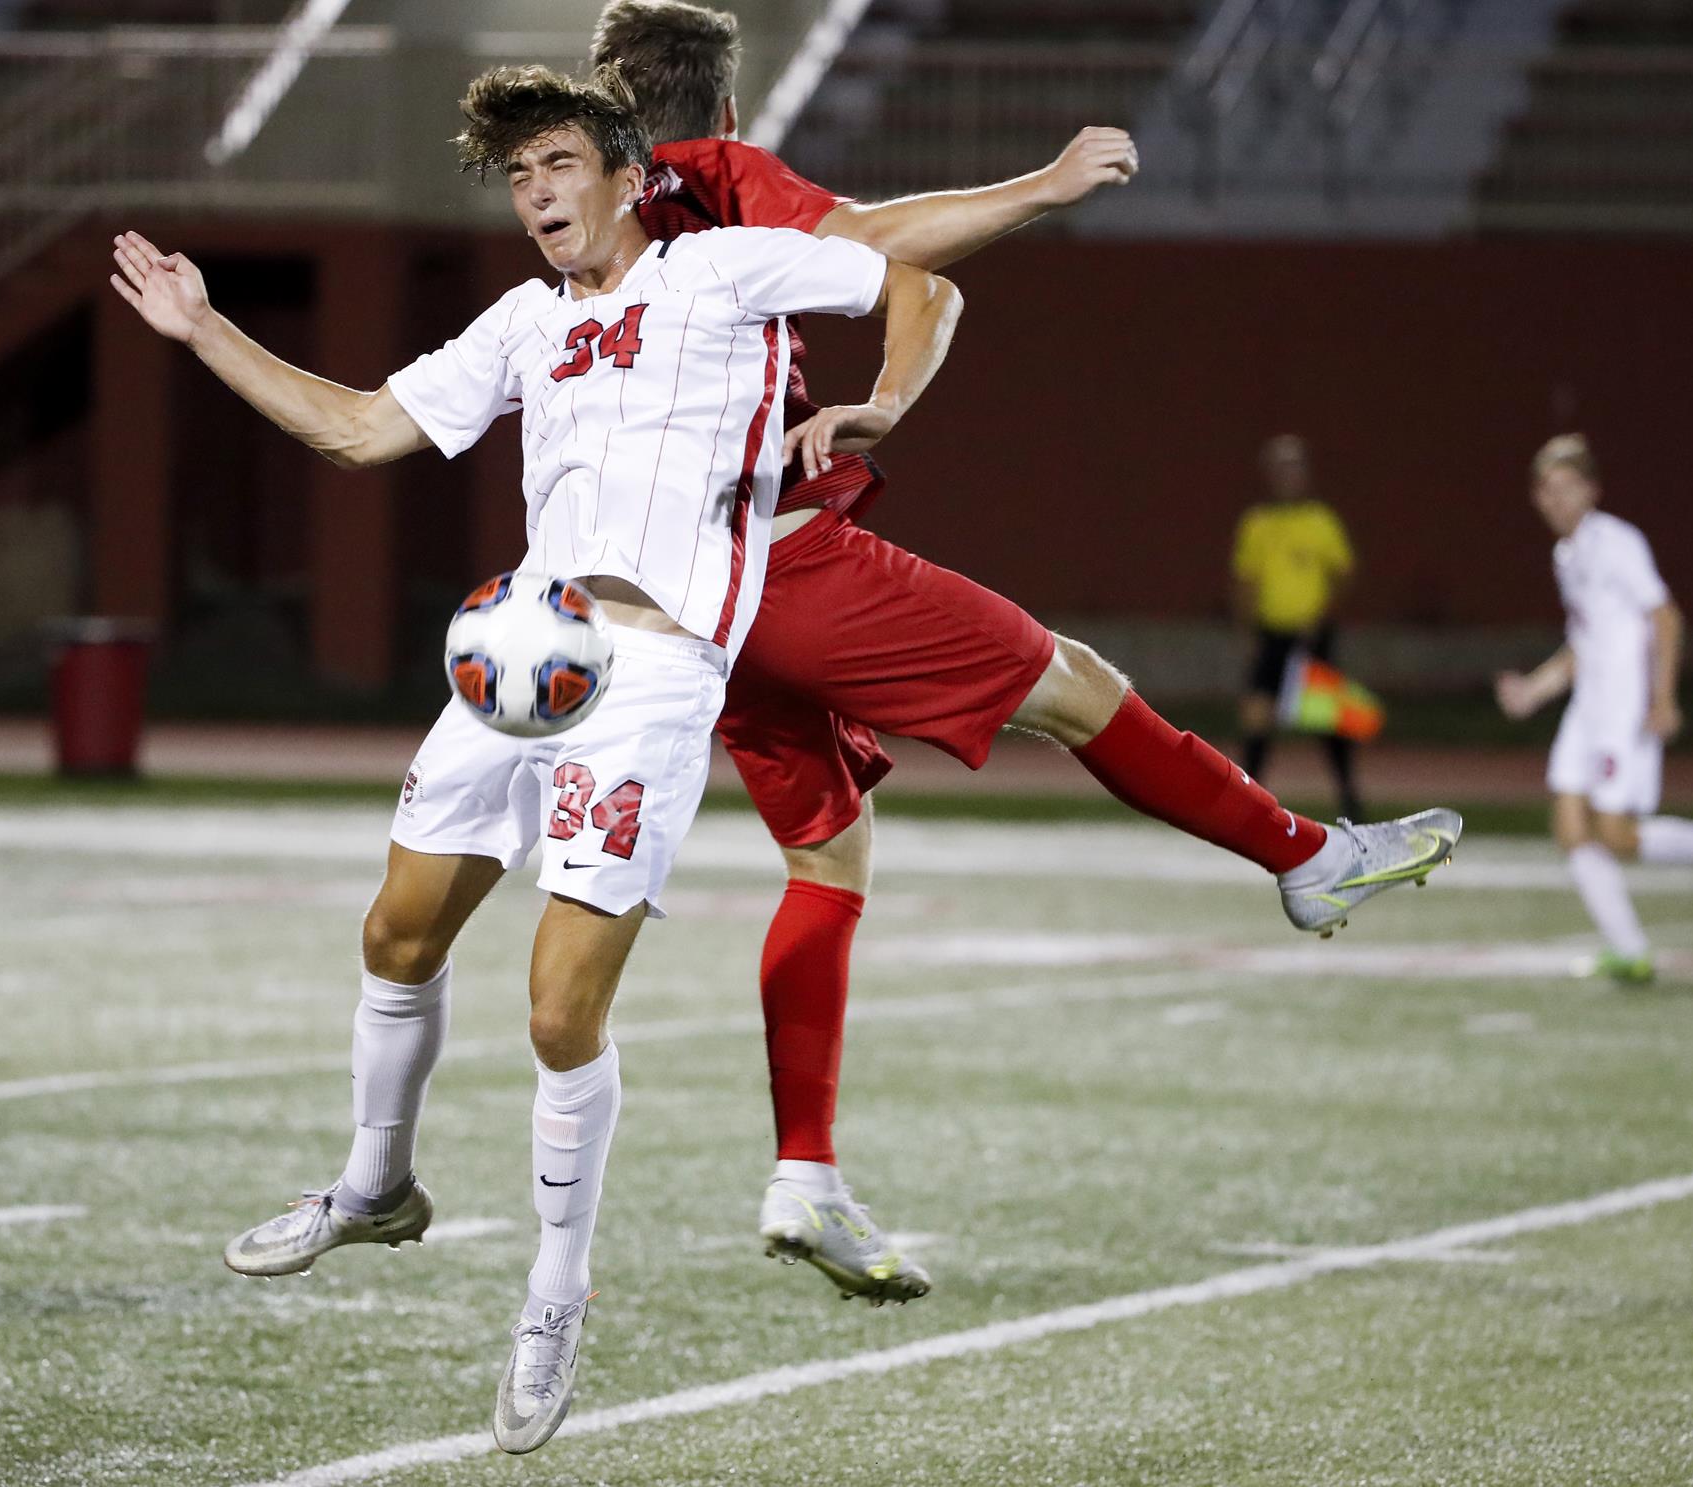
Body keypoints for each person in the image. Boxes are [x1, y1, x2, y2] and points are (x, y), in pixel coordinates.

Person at [109, 64, 961, 1454]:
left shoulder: (724, 270)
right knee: (394, 930)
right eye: (517, 177)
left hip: (656, 678)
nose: (537, 195)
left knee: (560, 1012)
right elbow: (358, 427)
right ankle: (374, 1184)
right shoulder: (520, 323)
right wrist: (203, 330)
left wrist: (883, 404)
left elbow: (924, 282)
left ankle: (557, 1289)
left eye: (560, 164)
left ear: (630, 175)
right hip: (523, 660)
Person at [592, 0, 1462, 1305]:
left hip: (670, 596)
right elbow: (889, 248)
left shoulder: (587, 226)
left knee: (824, 853)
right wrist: (1047, 187)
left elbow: (915, 293)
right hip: (778, 559)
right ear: (724, 110)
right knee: (1076, 686)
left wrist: (882, 390)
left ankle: (806, 1173)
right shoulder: (713, 175)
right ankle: (1309, 857)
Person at [1495, 434, 1693, 984]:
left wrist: (1662, 698)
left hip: (1623, 709)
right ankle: (1630, 953)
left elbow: (1666, 619)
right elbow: (1582, 645)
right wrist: (1534, 691)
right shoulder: (1567, 553)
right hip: (1587, 710)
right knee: (1570, 827)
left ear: (1593, 490)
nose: (1557, 500)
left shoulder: (1615, 541)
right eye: (1547, 489)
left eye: (1568, 487)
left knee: (1617, 836)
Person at [1231, 434, 1364, 819]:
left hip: (1312, 634)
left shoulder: (1321, 521)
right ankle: (1247, 797)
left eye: (1294, 467)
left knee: (1327, 717)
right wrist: (1248, 633)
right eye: (1280, 468)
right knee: (1257, 715)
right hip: (1270, 634)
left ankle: (1349, 797)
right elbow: (1244, 581)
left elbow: (1344, 574)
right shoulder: (1257, 523)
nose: (1288, 475)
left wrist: (1323, 617)